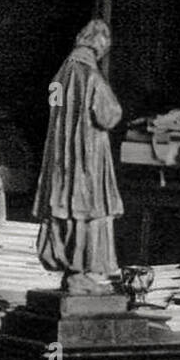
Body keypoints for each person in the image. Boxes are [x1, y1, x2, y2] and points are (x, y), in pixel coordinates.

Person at [32, 19, 124, 294]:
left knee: (68, 208)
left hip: (63, 159)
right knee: (91, 209)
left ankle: (73, 268)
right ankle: (85, 270)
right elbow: (108, 114)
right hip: (87, 157)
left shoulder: (64, 72)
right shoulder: (91, 75)